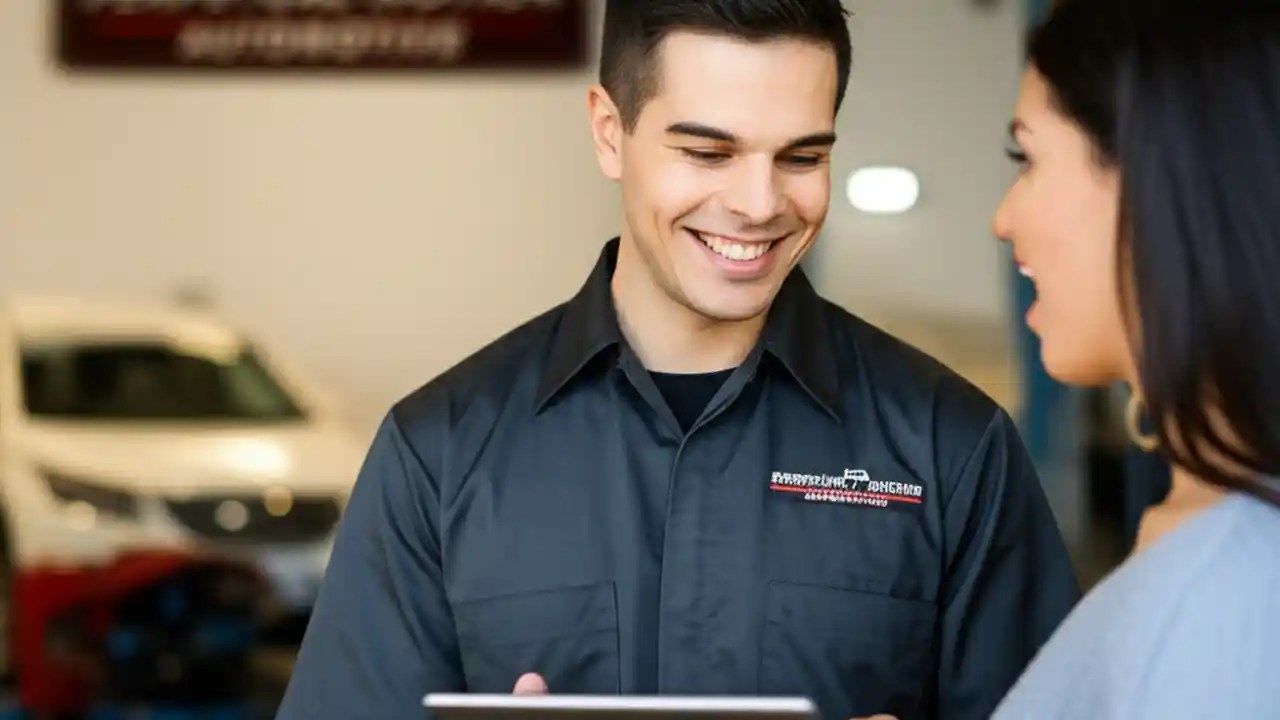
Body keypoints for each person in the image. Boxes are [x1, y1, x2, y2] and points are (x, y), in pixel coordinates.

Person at [277, 2, 1081, 719]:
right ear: (608, 131)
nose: (760, 204)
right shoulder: (439, 454)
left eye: (801, 158)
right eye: (708, 153)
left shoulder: (950, 448)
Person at [990, 0, 1280, 716]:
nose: (1003, 217)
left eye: (1026, 158)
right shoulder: (1212, 541)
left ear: (1154, 177)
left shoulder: (1226, 597)